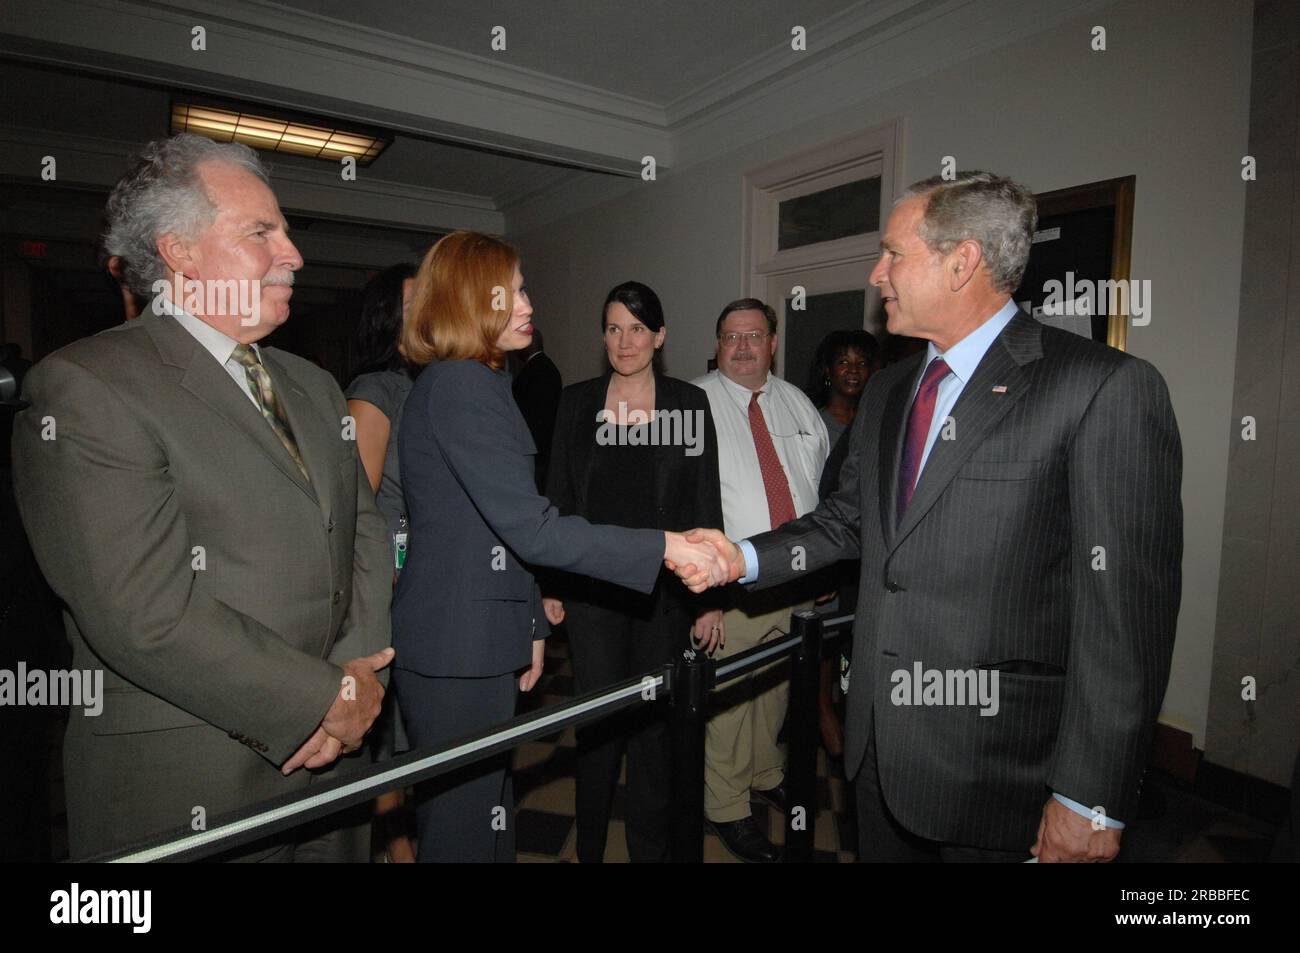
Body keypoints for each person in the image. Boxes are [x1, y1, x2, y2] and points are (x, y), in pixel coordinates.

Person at [677, 171, 1183, 863]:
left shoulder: (1100, 388)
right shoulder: (890, 390)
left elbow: (1127, 619)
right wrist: (742, 557)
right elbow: (847, 520)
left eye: (892, 253)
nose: (876, 272)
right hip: (879, 752)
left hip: (1004, 771)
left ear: (961, 261)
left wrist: (1089, 795)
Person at [10, 134, 394, 861]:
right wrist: (320, 697)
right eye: (261, 232)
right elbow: (145, 612)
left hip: (337, 764)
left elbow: (362, 532)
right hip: (193, 776)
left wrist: (358, 678)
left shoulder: (313, 385)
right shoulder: (86, 388)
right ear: (181, 253)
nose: (295, 254)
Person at [391, 231, 727, 863]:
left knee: (489, 817)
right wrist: (661, 547)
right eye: (514, 291)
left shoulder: (482, 384)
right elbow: (535, 526)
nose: (528, 304)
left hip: (480, 637)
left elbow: (496, 530)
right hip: (455, 646)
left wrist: (528, 625)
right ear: (473, 299)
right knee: (463, 832)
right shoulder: (462, 387)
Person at [542, 280, 723, 862]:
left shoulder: (686, 405)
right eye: (615, 328)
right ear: (603, 336)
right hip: (594, 593)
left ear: (660, 337)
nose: (626, 341)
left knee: (653, 734)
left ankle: (649, 850)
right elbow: (559, 500)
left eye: (638, 329)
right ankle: (588, 848)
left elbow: (703, 501)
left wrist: (711, 597)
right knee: (596, 728)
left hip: (662, 594)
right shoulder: (576, 403)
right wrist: (552, 585)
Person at [691, 298, 830, 862]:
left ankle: (764, 771)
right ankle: (724, 806)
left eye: (754, 336)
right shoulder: (692, 403)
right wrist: (703, 597)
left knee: (775, 687)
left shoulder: (798, 404)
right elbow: (680, 508)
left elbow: (820, 492)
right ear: (717, 344)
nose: (743, 346)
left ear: (773, 342)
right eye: (730, 336)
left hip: (793, 578)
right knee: (726, 698)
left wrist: (823, 567)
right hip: (730, 586)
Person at [344, 261, 418, 863]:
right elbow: (359, 508)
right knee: (387, 735)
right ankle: (399, 855)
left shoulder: (434, 382)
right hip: (391, 581)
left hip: (427, 580)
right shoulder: (374, 390)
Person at [806, 329, 878, 760]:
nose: (852, 371)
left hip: (871, 558)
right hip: (831, 551)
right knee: (825, 646)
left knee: (858, 645)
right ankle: (823, 719)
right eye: (843, 362)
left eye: (861, 362)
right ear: (828, 371)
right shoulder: (813, 424)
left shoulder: (882, 419)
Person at [510, 326, 562, 491]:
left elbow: (533, 415)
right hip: (541, 450)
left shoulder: (537, 371)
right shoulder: (544, 367)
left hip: (535, 451)